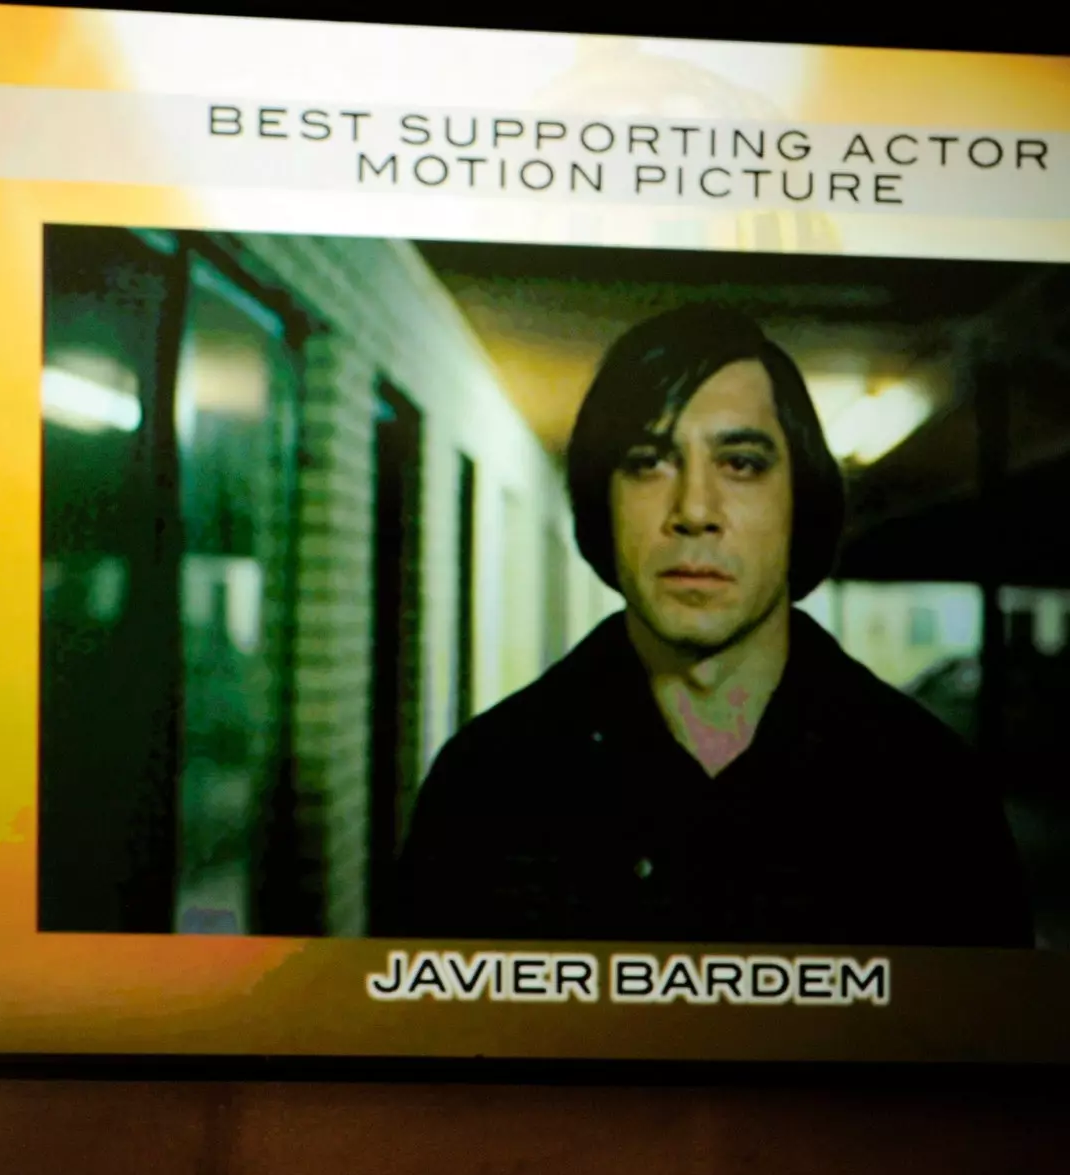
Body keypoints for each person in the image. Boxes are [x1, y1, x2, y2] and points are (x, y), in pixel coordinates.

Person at [393, 304, 1032, 948]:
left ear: (799, 503)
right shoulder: (487, 787)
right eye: (648, 461)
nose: (694, 510)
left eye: (742, 464)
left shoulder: (930, 793)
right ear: (602, 504)